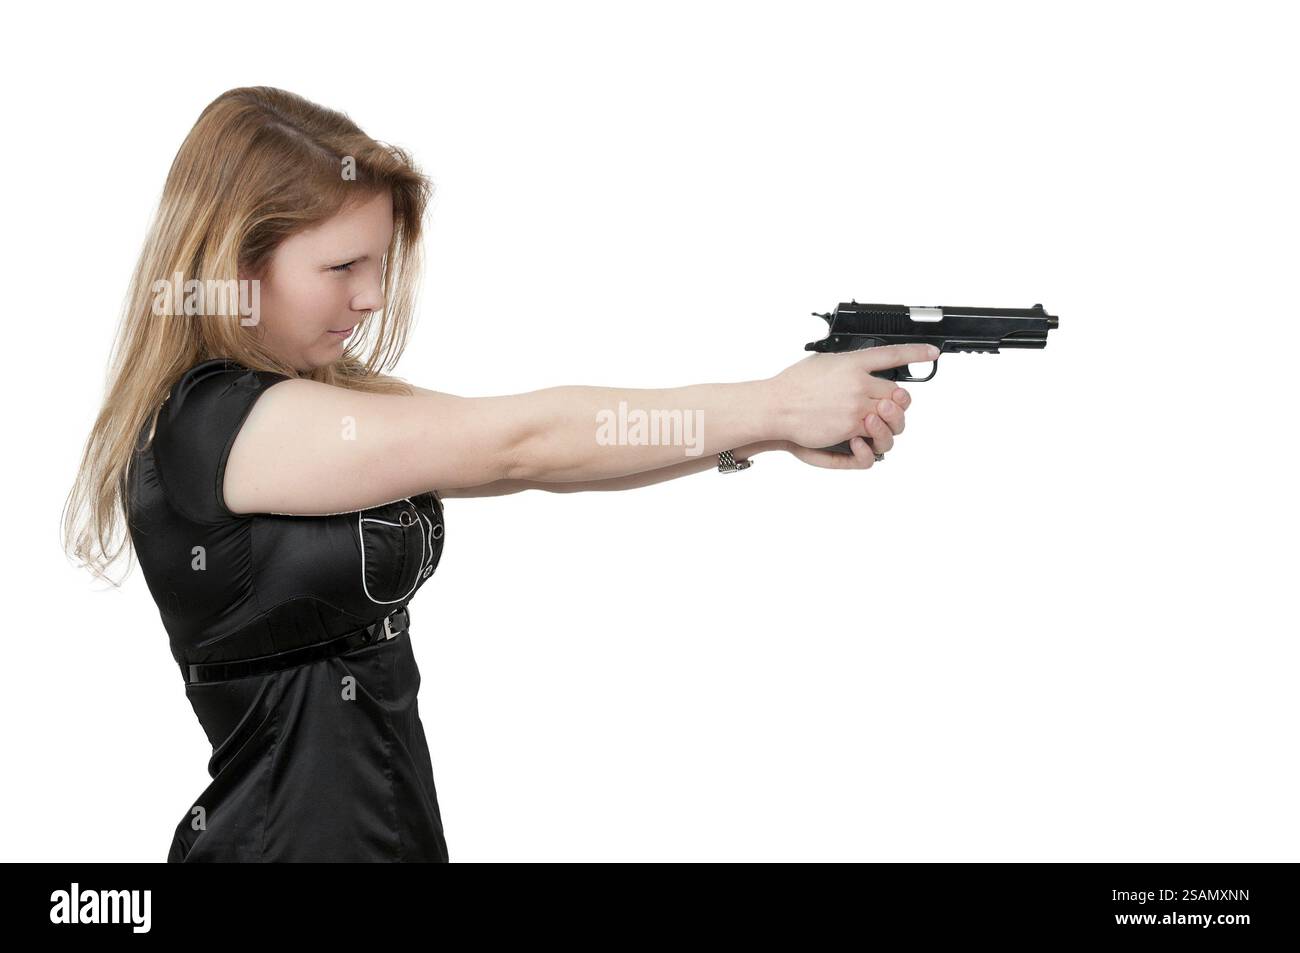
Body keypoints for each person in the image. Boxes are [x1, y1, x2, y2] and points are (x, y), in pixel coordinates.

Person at [62, 86, 930, 862]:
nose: (370, 297)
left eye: (377, 265)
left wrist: (760, 435)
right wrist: (772, 406)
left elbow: (546, 464)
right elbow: (520, 440)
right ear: (240, 267)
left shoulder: (311, 404)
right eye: (342, 267)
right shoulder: (224, 426)